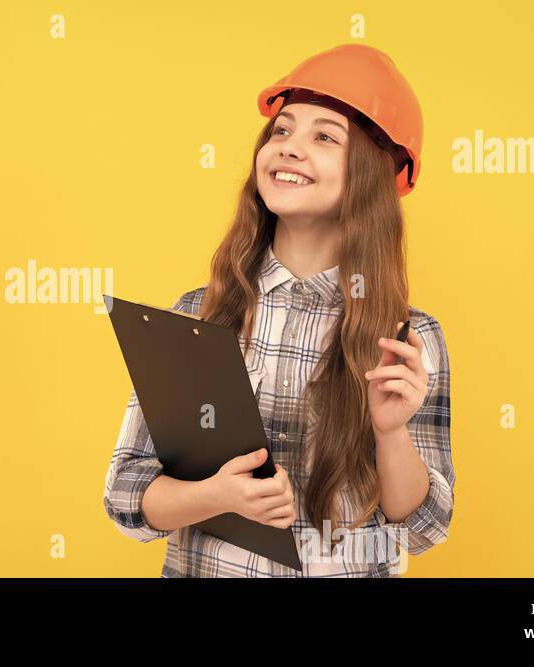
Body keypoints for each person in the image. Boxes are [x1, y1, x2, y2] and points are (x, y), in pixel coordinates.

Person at [102, 44, 453, 577]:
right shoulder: (201, 314)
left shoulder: (406, 339)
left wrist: (390, 431)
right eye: (282, 131)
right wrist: (217, 495)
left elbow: (423, 526)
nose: (288, 148)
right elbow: (126, 493)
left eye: (324, 137)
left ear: (371, 175)